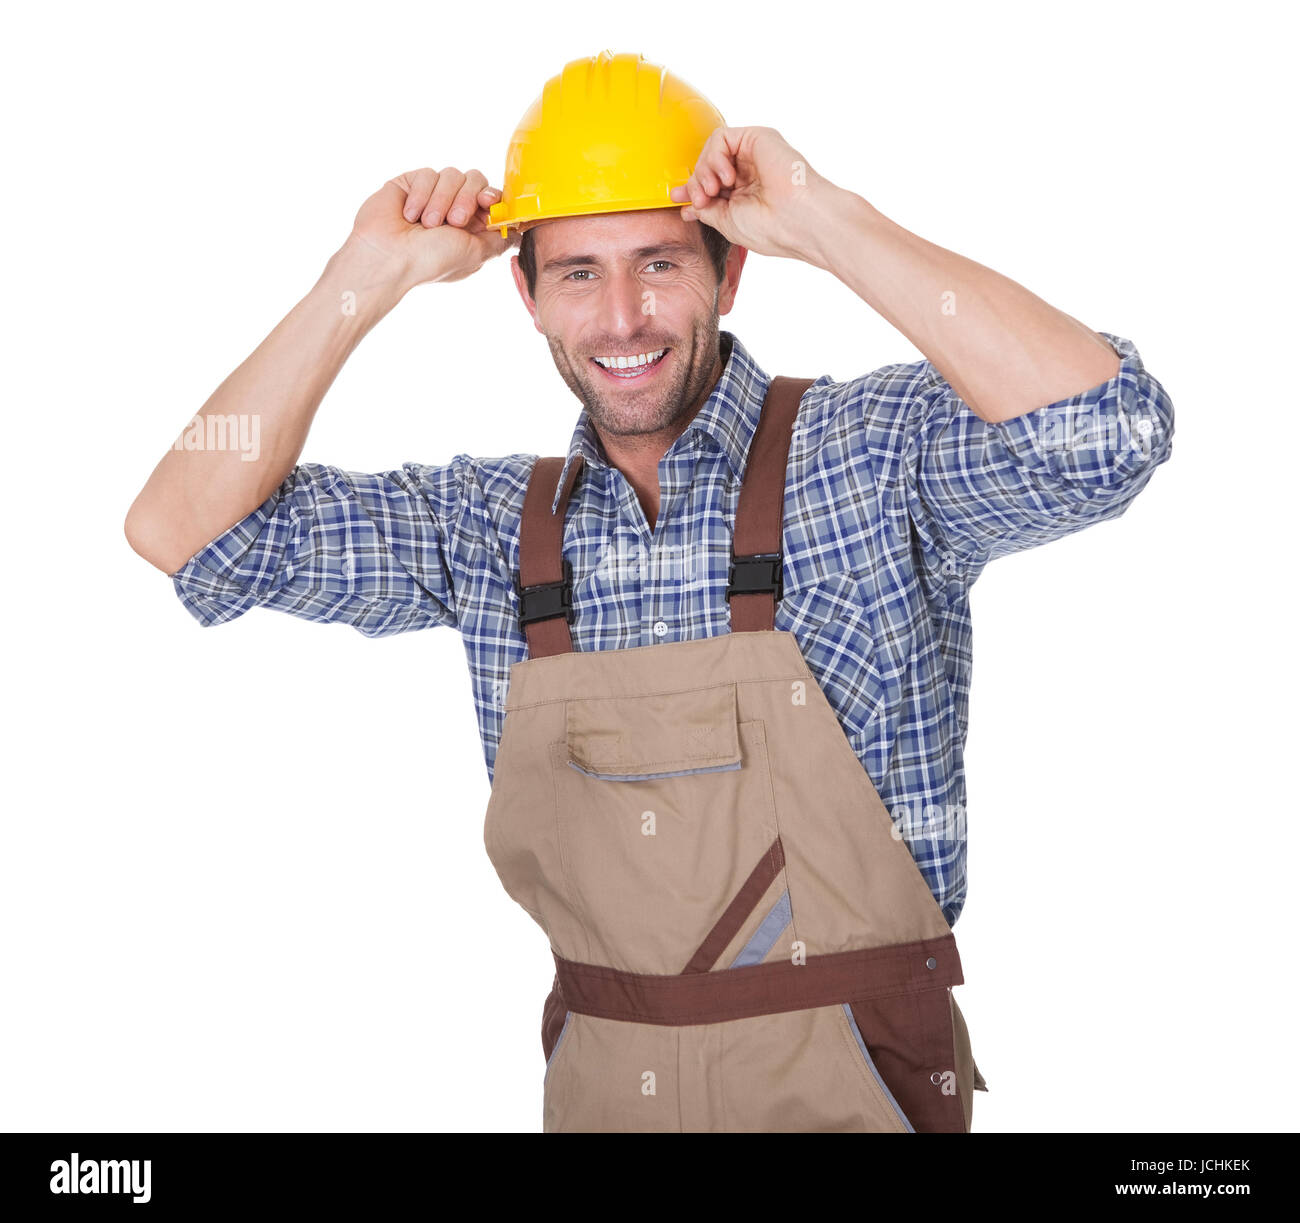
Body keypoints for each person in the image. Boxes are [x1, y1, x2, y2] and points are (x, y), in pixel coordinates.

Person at [124, 51, 1174, 1132]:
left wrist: (825, 217)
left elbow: (1107, 435)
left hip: (859, 1095)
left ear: (730, 272)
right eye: (578, 271)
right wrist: (360, 276)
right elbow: (184, 530)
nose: (621, 317)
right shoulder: (488, 530)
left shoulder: (871, 459)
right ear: (524, 295)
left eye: (660, 263)